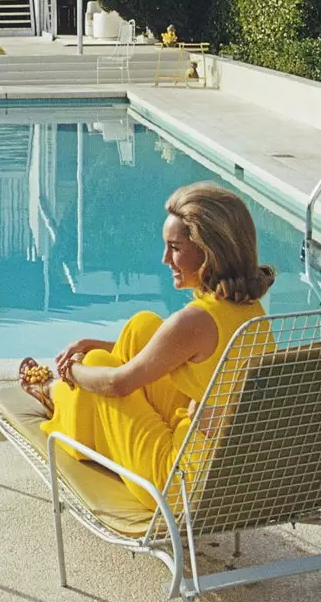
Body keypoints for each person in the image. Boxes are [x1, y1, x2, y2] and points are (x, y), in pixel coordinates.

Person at [20, 182, 275, 508]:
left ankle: (57, 394)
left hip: (177, 481)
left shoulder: (196, 321)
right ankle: (74, 405)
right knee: (143, 327)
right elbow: (168, 348)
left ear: (209, 251)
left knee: (100, 363)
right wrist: (97, 345)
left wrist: (75, 370)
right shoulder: (248, 311)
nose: (165, 258)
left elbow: (117, 383)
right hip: (225, 466)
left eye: (175, 248)